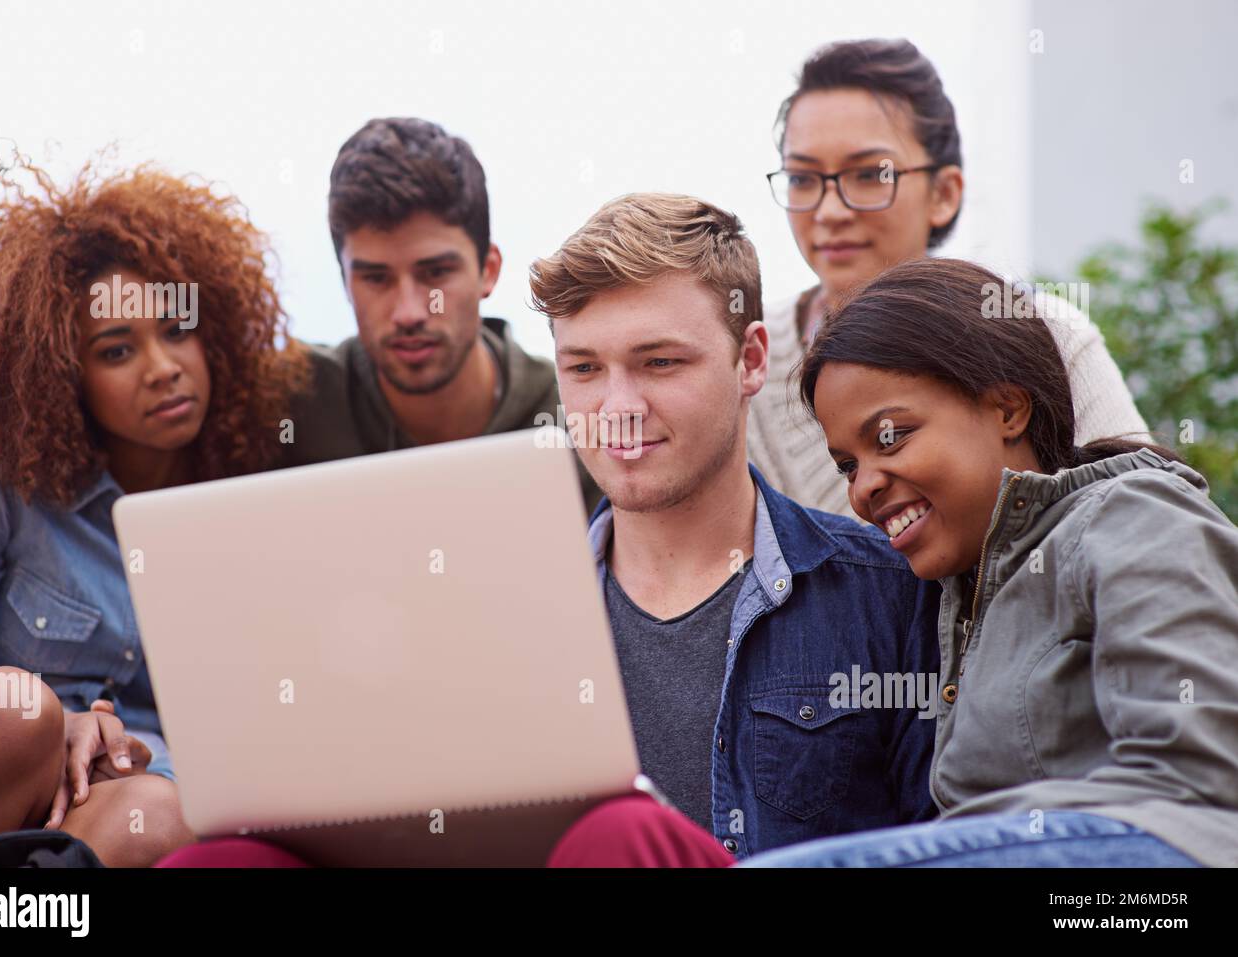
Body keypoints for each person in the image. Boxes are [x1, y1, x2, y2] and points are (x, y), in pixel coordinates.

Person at [743, 257, 1238, 867]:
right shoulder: (958, 600)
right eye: (847, 465)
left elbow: (1206, 783)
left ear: (1007, 409)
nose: (862, 487)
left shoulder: (1131, 514)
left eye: (890, 436)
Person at [529, 192, 943, 860]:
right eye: (583, 369)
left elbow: (952, 846)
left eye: (659, 362)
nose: (618, 408)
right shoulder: (520, 620)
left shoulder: (892, 590)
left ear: (751, 359)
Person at [0, 117, 604, 516]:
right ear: (342, 280)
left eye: (435, 274)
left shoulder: (577, 418)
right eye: (374, 278)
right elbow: (45, 369)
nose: (408, 311)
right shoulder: (287, 394)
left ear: (488, 270)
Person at [0, 159, 309, 866]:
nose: (162, 365)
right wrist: (62, 724)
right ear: (60, 374)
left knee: (162, 813)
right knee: (16, 708)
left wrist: (119, 745)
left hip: (116, 792)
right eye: (116, 349)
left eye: (176, 330)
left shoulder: (249, 493)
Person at [747, 38, 1150, 517]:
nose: (830, 210)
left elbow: (1150, 523)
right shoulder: (744, 362)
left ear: (944, 192)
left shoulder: (1045, 335)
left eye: (870, 175)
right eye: (802, 178)